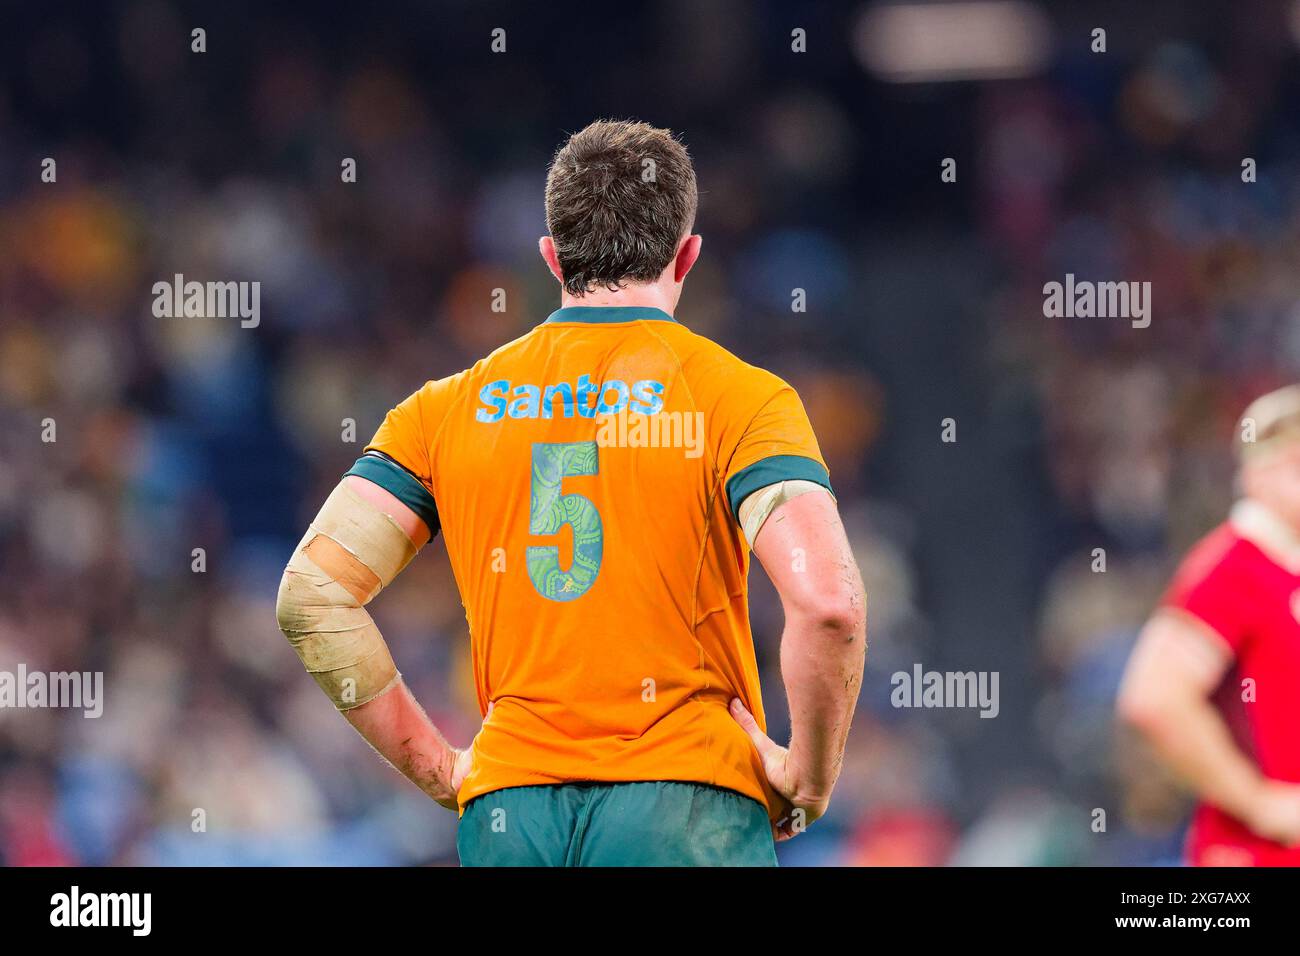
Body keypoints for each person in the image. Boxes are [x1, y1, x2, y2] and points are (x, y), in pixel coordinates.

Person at [275, 119, 867, 866]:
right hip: (685, 805)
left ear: (552, 259)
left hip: (511, 817)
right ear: (688, 256)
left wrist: (440, 769)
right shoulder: (742, 399)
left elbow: (311, 596)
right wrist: (806, 780)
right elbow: (829, 606)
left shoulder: (442, 408)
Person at [1117, 384, 1300, 865]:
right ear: (1259, 474)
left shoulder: (1284, 566)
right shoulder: (1235, 569)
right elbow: (1156, 696)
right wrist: (1259, 803)